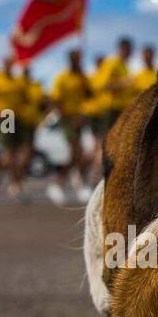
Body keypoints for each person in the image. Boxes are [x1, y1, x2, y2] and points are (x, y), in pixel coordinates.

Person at [0, 57, 39, 198]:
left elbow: (26, 98)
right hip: (6, 116)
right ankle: (14, 183)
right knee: (10, 152)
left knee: (17, 152)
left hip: (18, 117)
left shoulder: (16, 81)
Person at [48, 47, 95, 205]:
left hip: (80, 118)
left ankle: (70, 182)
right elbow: (55, 100)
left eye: (79, 58)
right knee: (76, 151)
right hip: (67, 119)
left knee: (79, 153)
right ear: (70, 60)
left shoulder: (82, 77)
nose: (78, 61)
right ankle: (61, 183)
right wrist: (66, 117)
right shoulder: (62, 78)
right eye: (75, 58)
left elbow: (90, 94)